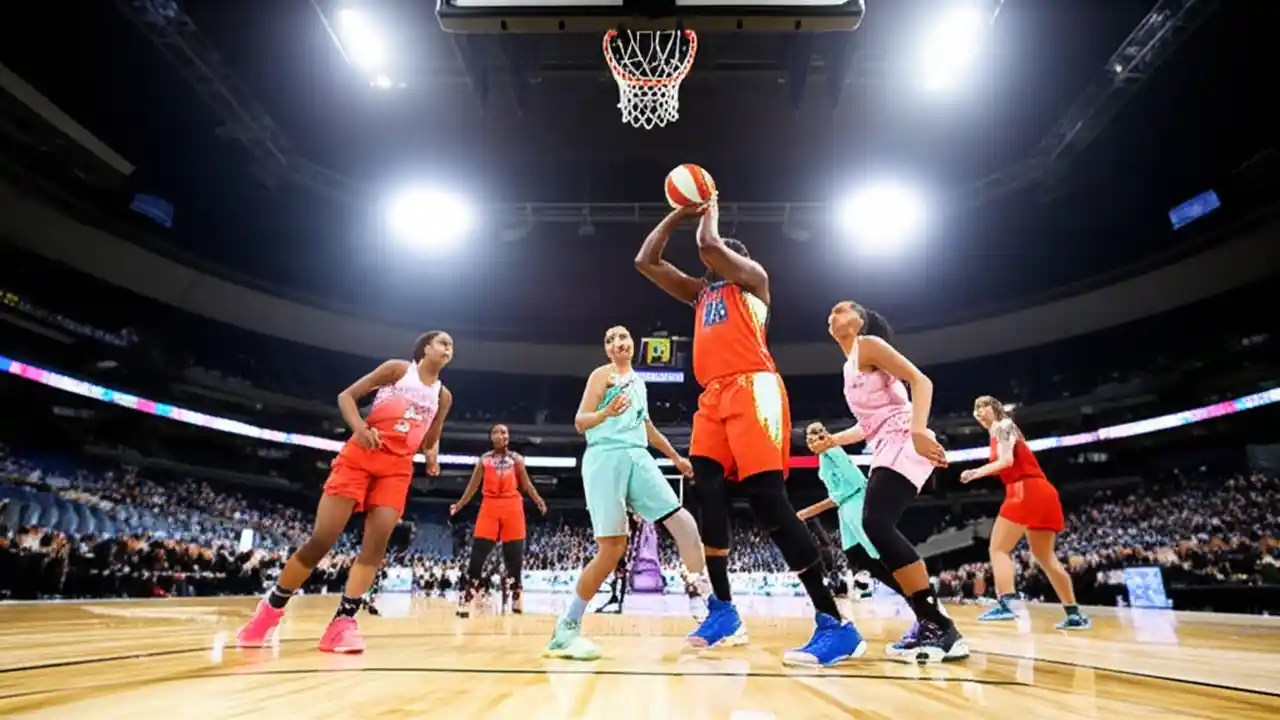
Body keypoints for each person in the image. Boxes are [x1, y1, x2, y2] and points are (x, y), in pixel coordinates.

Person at [635, 200, 863, 667]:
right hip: (712, 397)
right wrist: (677, 213)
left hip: (754, 387)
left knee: (767, 499)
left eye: (721, 261)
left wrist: (708, 205)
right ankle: (723, 611)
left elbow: (709, 244)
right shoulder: (700, 296)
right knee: (706, 490)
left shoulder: (754, 282)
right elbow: (645, 262)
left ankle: (835, 623)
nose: (713, 266)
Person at [236, 331, 454, 653]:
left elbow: (429, 438)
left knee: (376, 546)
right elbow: (346, 397)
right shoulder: (397, 370)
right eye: (443, 343)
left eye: (451, 346)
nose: (448, 349)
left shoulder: (443, 396)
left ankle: (343, 622)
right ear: (426, 348)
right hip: (361, 456)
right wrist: (361, 429)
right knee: (322, 540)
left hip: (397, 468)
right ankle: (270, 610)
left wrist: (432, 456)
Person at [811, 302, 967, 662]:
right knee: (868, 544)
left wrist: (917, 431)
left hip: (903, 437)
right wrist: (834, 440)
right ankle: (931, 618)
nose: (832, 313)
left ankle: (937, 625)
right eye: (830, 310)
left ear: (859, 321)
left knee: (876, 524)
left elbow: (921, 381)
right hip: (884, 443)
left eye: (841, 308)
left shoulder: (868, 345)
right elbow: (867, 426)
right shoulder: (849, 366)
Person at [545, 325, 710, 660]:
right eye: (610, 340)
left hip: (638, 455)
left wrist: (675, 457)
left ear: (632, 345)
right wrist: (606, 413)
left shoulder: (639, 382)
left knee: (685, 523)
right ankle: (567, 628)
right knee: (611, 550)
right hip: (606, 457)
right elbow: (580, 421)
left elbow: (646, 427)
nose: (617, 343)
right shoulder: (601, 376)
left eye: (622, 337)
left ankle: (706, 601)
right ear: (607, 350)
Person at [961, 396, 1090, 630]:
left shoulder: (1003, 425)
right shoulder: (1001, 430)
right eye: (975, 409)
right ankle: (1074, 614)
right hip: (1041, 492)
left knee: (998, 548)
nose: (978, 412)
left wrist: (976, 472)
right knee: (1045, 558)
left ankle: (1007, 603)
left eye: (983, 406)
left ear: (996, 408)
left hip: (1025, 490)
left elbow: (1007, 461)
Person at [796, 422, 909, 604]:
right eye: (808, 441)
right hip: (846, 506)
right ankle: (902, 588)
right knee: (854, 552)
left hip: (855, 501)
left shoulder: (833, 452)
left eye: (815, 439)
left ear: (825, 436)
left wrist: (809, 511)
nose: (811, 444)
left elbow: (856, 481)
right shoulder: (825, 456)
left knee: (874, 552)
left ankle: (911, 592)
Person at [451, 423, 547, 617]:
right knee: (477, 556)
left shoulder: (517, 460)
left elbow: (526, 484)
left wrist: (538, 501)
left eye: (503, 432)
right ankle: (468, 596)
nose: (500, 435)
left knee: (514, 557)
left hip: (512, 506)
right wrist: (459, 505)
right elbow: (472, 487)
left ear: (508, 438)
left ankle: (517, 593)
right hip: (489, 506)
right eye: (496, 432)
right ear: (491, 437)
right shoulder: (484, 460)